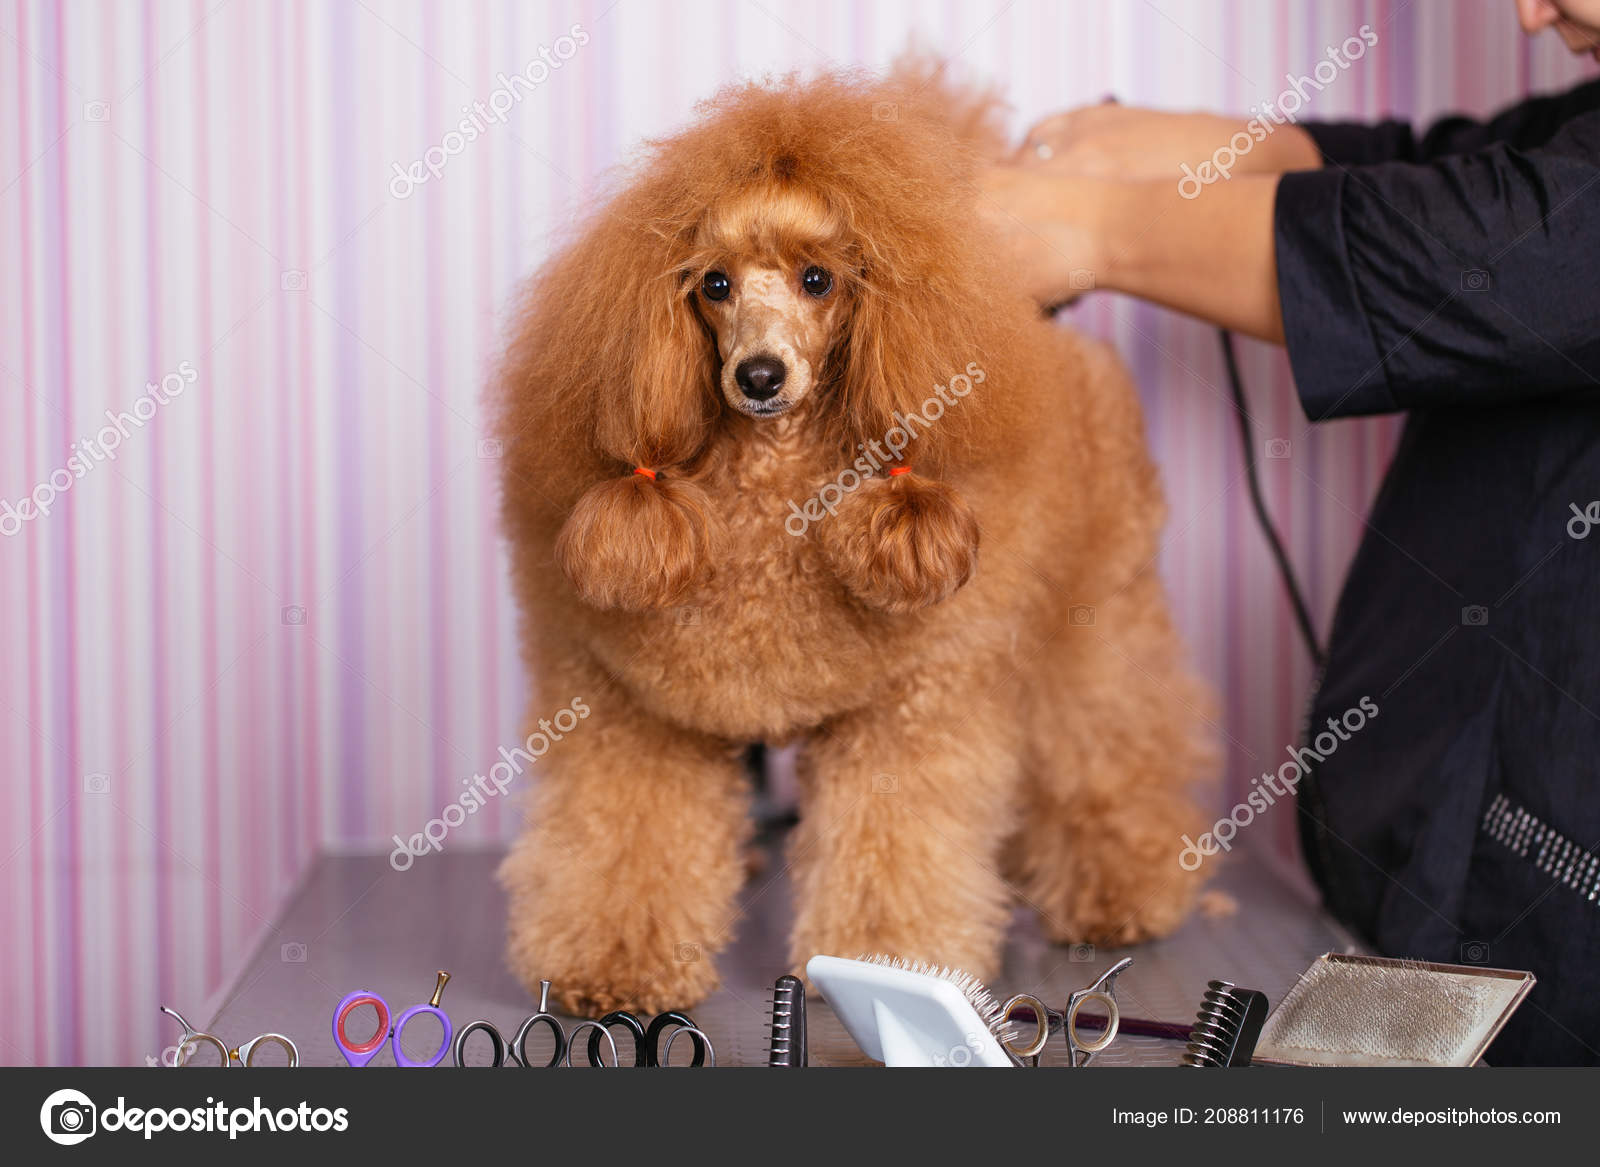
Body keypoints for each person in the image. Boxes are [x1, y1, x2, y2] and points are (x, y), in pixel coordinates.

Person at [981, 0, 1600, 1065]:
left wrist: (1094, 230)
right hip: (1422, 889)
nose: (1529, 10)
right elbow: (1470, 169)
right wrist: (1234, 150)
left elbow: (1517, 245)